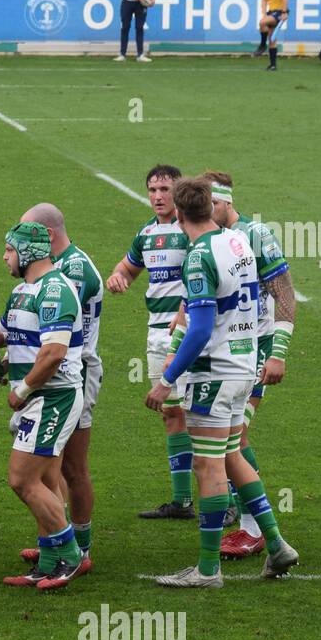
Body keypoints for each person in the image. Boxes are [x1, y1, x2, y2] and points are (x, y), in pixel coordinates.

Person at [145, 178, 297, 587]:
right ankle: (278, 545)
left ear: (178, 214)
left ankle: (208, 570)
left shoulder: (198, 257)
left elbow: (198, 329)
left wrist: (166, 379)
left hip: (214, 372)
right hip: (244, 366)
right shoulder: (237, 242)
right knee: (233, 456)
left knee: (207, 465)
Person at [195, 171, 298, 560]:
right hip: (233, 347)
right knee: (230, 441)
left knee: (232, 440)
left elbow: (286, 294)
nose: (206, 212)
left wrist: (278, 352)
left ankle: (256, 531)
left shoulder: (256, 235)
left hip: (255, 348)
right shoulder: (217, 238)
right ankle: (256, 528)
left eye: (211, 206)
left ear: (225, 203)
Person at [13, 203, 102, 577]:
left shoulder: (70, 273)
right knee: (45, 468)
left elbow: (56, 343)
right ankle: (53, 543)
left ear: (43, 237)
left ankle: (78, 546)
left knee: (70, 467)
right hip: (52, 378)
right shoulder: (48, 275)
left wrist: (26, 382)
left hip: (70, 377)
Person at [0, 223, 85, 591]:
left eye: (9, 250)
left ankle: (72, 553)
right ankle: (49, 564)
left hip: (53, 398)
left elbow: (53, 353)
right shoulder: (22, 291)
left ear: (27, 253)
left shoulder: (55, 291)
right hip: (38, 399)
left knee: (21, 479)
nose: (4, 257)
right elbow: (5, 334)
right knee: (46, 480)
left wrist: (23, 388)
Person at [106, 164, 194, 519]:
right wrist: (117, 277)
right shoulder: (146, 234)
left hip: (188, 331)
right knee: (171, 413)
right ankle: (183, 501)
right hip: (155, 331)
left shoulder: (191, 230)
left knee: (203, 418)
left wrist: (187, 312)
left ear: (179, 192)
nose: (158, 196)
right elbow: (128, 267)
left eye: (165, 190)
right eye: (153, 190)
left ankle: (229, 501)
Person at [254, 0, 289, 71]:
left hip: (279, 12)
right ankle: (273, 65)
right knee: (272, 40)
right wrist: (264, 13)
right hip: (271, 12)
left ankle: (262, 45)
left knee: (262, 23)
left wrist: (284, 12)